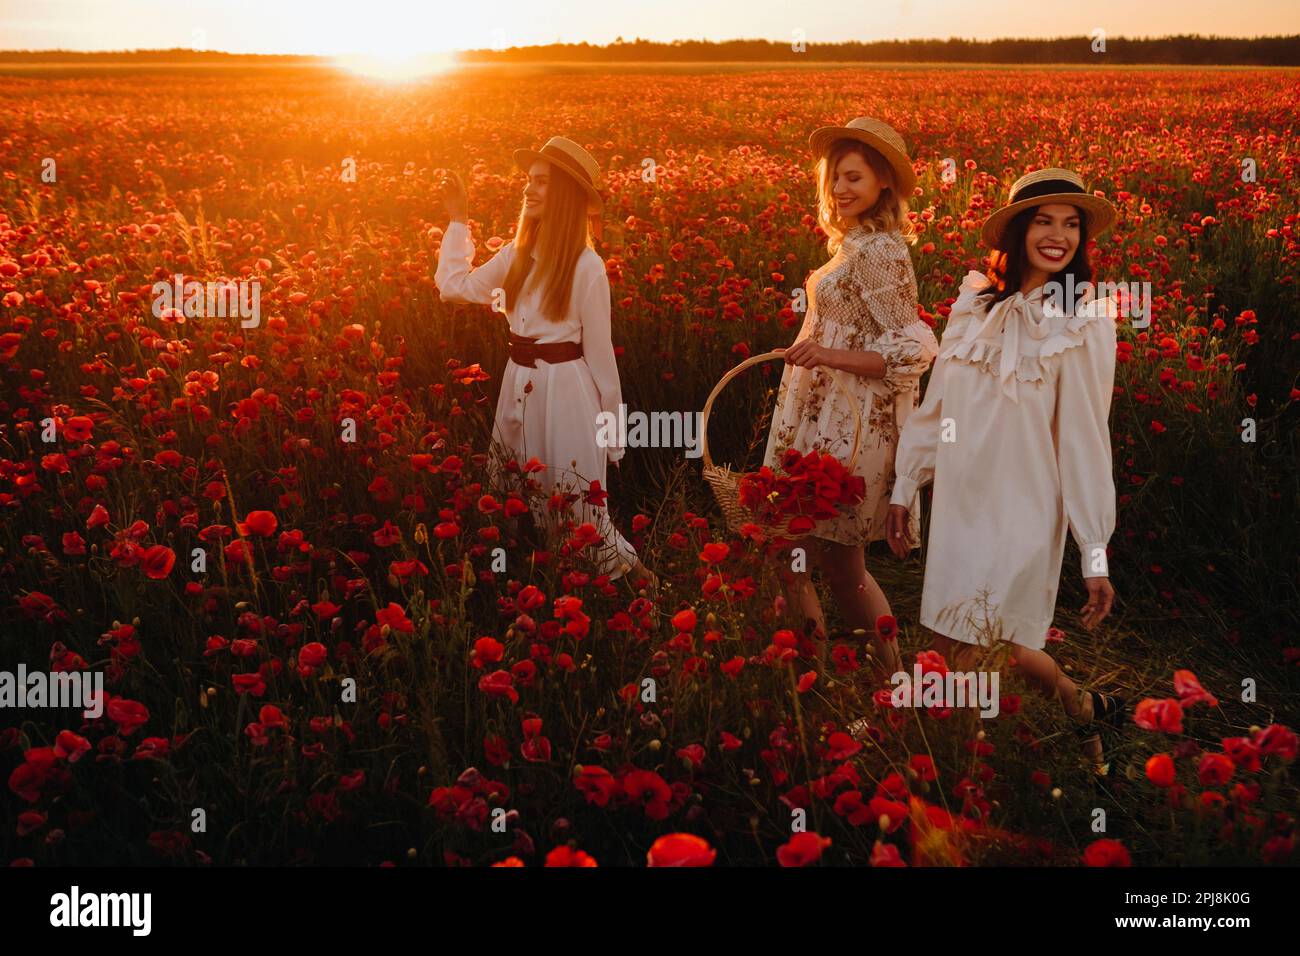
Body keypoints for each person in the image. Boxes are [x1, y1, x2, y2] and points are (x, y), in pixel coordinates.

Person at [885, 167, 1125, 772]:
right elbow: (936, 405)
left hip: (1026, 505)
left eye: (1071, 225)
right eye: (1044, 220)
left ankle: (941, 767)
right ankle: (1085, 710)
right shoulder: (972, 304)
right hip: (964, 499)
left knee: (977, 642)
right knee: (978, 641)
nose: (1058, 235)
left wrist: (1093, 550)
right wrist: (906, 485)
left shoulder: (1085, 322)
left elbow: (1086, 440)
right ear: (1017, 230)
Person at [435, 136, 657, 593]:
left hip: (569, 393)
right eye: (529, 181)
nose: (529, 190)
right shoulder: (516, 256)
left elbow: (601, 358)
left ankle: (643, 584)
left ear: (566, 197)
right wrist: (458, 220)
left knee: (577, 507)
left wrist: (611, 432)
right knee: (514, 493)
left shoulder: (586, 267)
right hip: (518, 383)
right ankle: (543, 593)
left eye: (542, 183)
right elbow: (454, 287)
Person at [764, 116, 938, 678]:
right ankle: (893, 683)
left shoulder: (880, 251)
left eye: (854, 178)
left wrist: (829, 356)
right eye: (835, 178)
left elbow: (912, 350)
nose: (840, 189)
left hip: (848, 425)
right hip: (823, 416)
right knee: (842, 566)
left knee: (788, 560)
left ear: (884, 182)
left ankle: (812, 679)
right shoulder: (854, 245)